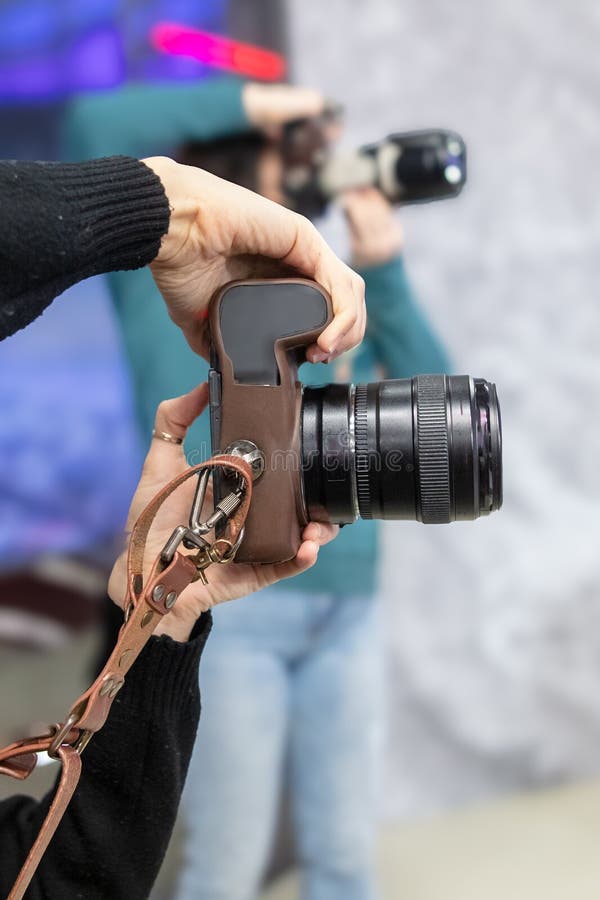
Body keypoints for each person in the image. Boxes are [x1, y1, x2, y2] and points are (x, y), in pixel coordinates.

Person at [63, 79, 450, 900]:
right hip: (227, 603)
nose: (308, 180)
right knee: (226, 868)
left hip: (346, 597)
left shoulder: (324, 289)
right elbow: (96, 121)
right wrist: (265, 102)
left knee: (345, 860)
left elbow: (433, 421)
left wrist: (384, 271)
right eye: (293, 159)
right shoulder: (175, 272)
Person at [0, 150, 363, 895]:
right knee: (226, 861)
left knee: (344, 852)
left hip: (329, 606)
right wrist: (170, 204)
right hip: (261, 626)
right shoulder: (172, 309)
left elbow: (69, 881)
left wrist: (161, 607)